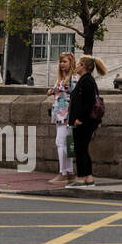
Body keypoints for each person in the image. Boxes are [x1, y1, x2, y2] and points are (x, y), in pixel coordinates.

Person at [66, 55, 106, 188]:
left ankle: (81, 179)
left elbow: (89, 103)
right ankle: (89, 178)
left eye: (78, 63)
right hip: (86, 122)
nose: (76, 65)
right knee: (83, 150)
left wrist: (79, 119)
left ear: (82, 66)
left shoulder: (86, 81)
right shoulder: (85, 79)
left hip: (84, 122)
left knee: (80, 150)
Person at [46, 52, 76, 184]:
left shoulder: (73, 78)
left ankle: (63, 173)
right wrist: (52, 90)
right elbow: (56, 89)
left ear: (71, 63)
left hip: (66, 113)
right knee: (67, 143)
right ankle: (69, 171)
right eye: (61, 61)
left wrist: (58, 90)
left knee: (61, 143)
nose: (62, 64)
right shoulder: (61, 77)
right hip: (60, 113)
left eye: (65, 61)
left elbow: (73, 92)